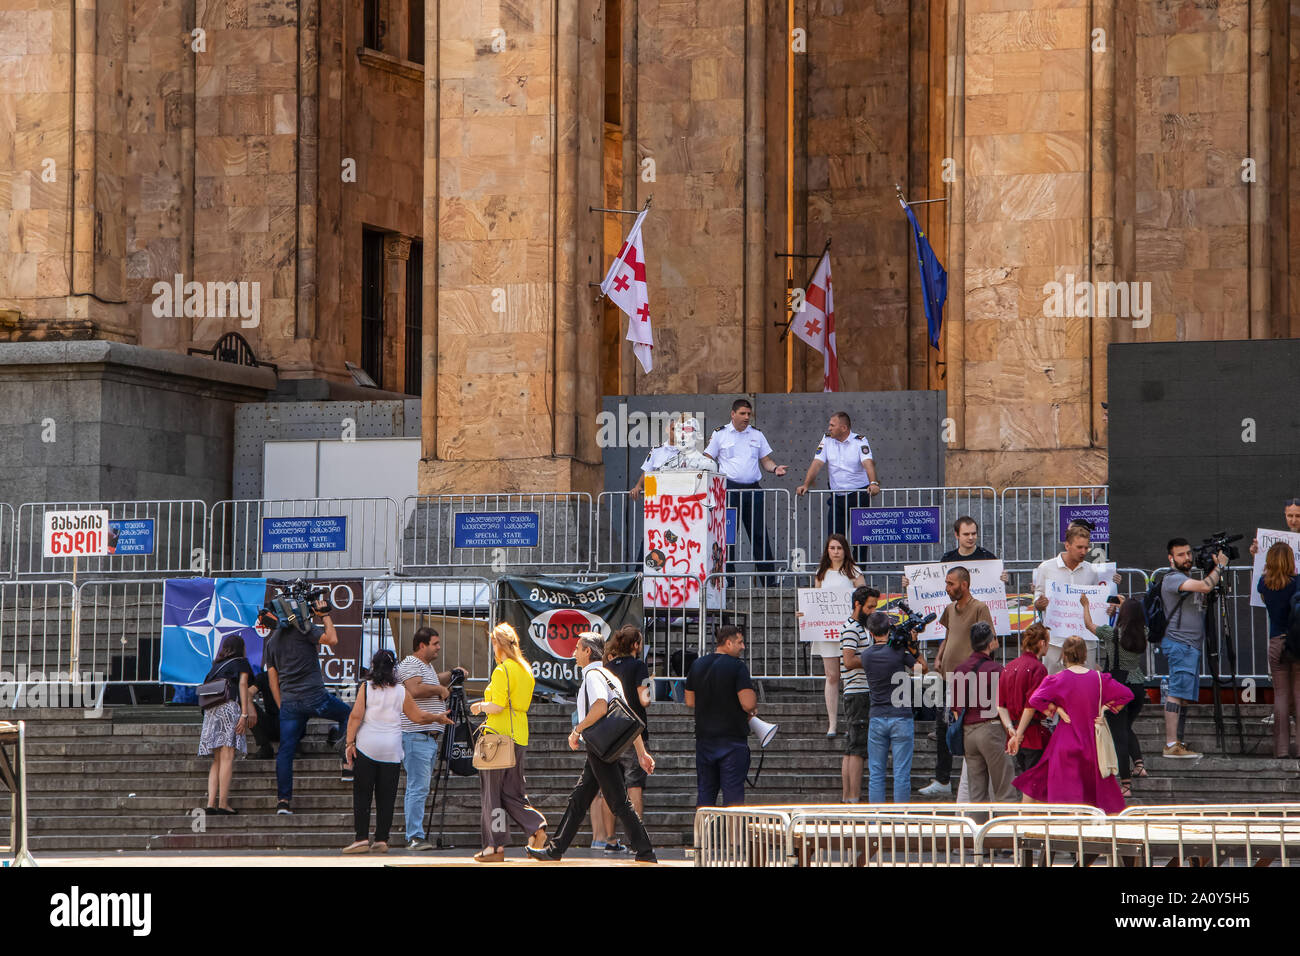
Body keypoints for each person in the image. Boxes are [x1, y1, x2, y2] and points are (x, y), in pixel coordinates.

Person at [527, 635, 657, 863]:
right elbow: (629, 716)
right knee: (579, 799)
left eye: (577, 649)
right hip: (606, 747)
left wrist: (577, 730)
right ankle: (555, 849)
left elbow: (599, 706)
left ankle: (645, 851)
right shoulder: (610, 676)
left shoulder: (592, 676)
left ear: (588, 652)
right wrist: (641, 752)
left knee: (618, 802)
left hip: (600, 748)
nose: (574, 653)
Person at [1010, 636, 1134, 813]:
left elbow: (1035, 699)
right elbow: (1127, 694)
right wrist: (1105, 708)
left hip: (1064, 740)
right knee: (1100, 790)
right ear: (1084, 654)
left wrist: (1056, 709)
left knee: (1042, 782)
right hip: (1092, 742)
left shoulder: (1057, 679)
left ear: (1064, 655)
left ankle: (1021, 825)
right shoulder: (1099, 679)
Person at [342, 650, 450, 853]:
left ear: (373, 666)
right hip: (391, 750)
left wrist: (349, 743)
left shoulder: (366, 688)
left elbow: (355, 717)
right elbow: (417, 716)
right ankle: (382, 839)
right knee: (386, 797)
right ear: (394, 669)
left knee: (363, 794)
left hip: (367, 746)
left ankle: (361, 838)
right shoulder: (400, 691)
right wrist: (437, 718)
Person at [264, 593, 353, 814]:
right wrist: (325, 616)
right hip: (316, 697)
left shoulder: (271, 641)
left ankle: (283, 801)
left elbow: (273, 680)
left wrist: (282, 704)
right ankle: (346, 765)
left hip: (290, 703)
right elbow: (332, 640)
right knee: (348, 715)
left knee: (285, 750)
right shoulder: (304, 629)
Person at [468, 623, 548, 862]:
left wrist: (479, 706)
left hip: (496, 737)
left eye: (493, 642)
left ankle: (494, 847)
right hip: (519, 736)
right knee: (512, 792)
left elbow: (497, 706)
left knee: (492, 795)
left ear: (498, 644)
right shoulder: (525, 670)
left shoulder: (502, 671)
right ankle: (535, 827)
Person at [917, 566, 993, 796]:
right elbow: (948, 636)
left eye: (951, 584)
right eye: (946, 583)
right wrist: (939, 656)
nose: (947, 588)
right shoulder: (949, 609)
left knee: (964, 727)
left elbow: (991, 642)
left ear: (964, 584)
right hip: (947, 678)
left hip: (968, 681)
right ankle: (943, 780)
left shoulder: (980, 608)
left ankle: (970, 783)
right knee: (943, 728)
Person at [704, 398, 788, 587]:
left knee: (759, 534)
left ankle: (768, 580)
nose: (746, 417)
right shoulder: (720, 434)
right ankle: (728, 580)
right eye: (742, 413)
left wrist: (775, 469)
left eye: (749, 414)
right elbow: (707, 458)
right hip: (729, 489)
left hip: (752, 489)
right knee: (728, 537)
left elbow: (765, 460)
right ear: (733, 414)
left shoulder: (757, 435)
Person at [396, 627, 467, 851]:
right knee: (417, 788)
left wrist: (453, 674)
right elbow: (415, 689)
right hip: (416, 735)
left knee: (421, 788)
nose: (438, 647)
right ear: (422, 645)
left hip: (426, 737)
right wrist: (439, 689)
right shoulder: (410, 664)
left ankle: (416, 834)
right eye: (435, 644)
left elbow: (434, 680)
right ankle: (414, 836)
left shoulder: (424, 666)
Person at [1159, 537, 1229, 758]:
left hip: (1189, 646)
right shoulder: (1172, 579)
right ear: (1171, 559)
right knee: (1176, 693)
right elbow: (1205, 586)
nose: (1187, 558)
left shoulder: (1183, 577)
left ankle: (1177, 741)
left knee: (1183, 695)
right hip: (1180, 644)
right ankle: (1171, 744)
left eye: (1188, 553)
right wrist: (1220, 566)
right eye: (1181, 555)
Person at [1082, 595, 1148, 798]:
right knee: (1127, 727)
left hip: (1117, 688)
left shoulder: (1112, 634)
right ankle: (1139, 764)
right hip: (1137, 686)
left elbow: (1089, 625)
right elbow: (1134, 617)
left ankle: (1126, 784)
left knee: (1119, 735)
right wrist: (1126, 605)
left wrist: (1086, 605)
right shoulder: (1144, 632)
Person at [685, 625, 758, 808]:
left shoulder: (698, 664)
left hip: (705, 740)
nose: (743, 647)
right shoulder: (737, 667)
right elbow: (748, 704)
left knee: (705, 796)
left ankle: (702, 837)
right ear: (728, 642)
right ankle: (734, 837)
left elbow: (689, 701)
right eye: (740, 642)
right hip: (732, 740)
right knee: (733, 799)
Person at [1032, 524, 1116, 672]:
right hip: (1056, 641)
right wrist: (1039, 603)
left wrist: (1106, 609)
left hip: (1085, 641)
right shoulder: (1046, 568)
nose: (1084, 551)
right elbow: (1038, 594)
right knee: (1052, 681)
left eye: (1086, 547)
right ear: (1067, 545)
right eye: (1079, 547)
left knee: (1085, 682)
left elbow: (1097, 602)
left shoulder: (1091, 570)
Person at [805, 535, 867, 736]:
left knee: (851, 675)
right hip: (827, 631)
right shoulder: (820, 573)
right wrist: (805, 612)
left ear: (845, 549)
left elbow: (864, 597)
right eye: (832, 548)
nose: (836, 551)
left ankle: (851, 722)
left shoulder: (853, 571)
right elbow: (815, 601)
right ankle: (832, 723)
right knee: (832, 676)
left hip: (848, 631)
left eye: (839, 547)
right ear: (827, 550)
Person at [862, 611, 925, 803]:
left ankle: (876, 822)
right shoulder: (899, 653)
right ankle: (902, 821)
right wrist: (912, 647)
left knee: (876, 773)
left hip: (877, 716)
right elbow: (922, 668)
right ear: (889, 629)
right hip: (901, 716)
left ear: (870, 632)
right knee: (901, 774)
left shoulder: (866, 656)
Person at [951, 622, 1017, 804]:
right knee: (1004, 788)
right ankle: (1006, 831)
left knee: (976, 793)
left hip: (968, 733)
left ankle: (977, 831)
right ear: (990, 644)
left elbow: (956, 709)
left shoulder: (960, 670)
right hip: (992, 729)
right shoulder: (997, 670)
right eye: (995, 638)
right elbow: (1004, 704)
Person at [794, 411, 880, 550]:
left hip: (858, 495)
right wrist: (806, 484)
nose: (829, 428)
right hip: (837, 496)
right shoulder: (827, 439)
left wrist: (873, 483)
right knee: (834, 541)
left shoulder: (860, 441)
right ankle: (836, 571)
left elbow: (868, 463)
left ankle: (859, 571)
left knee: (861, 540)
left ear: (844, 428)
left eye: (832, 425)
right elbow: (817, 463)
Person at [198, 634, 256, 814]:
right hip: (229, 709)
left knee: (216, 760)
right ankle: (223, 803)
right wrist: (244, 714)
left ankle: (210, 804)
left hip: (211, 711)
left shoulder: (215, 667)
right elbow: (243, 685)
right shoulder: (241, 662)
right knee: (228, 756)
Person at [604, 626, 653, 822]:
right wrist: (649, 686)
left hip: (610, 733)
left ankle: (609, 839)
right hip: (634, 733)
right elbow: (644, 700)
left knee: (610, 789)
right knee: (634, 785)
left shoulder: (607, 667)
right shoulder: (638, 665)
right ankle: (637, 836)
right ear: (635, 645)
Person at [1257, 541, 1300, 758]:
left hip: (1276, 642)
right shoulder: (1298, 583)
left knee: (1281, 695)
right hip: (1297, 642)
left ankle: (1281, 749)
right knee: (1299, 693)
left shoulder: (1263, 585)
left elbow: (1264, 599)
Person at [838, 587, 878, 802]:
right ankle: (853, 797)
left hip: (859, 692)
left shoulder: (860, 627)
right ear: (857, 605)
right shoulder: (852, 628)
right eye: (870, 606)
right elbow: (849, 660)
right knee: (857, 748)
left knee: (852, 746)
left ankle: (848, 796)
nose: (873, 611)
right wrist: (875, 660)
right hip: (858, 691)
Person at [900, 516, 1012, 589]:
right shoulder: (948, 559)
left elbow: (1004, 581)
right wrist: (911, 583)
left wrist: (1006, 579)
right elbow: (936, 584)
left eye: (974, 533)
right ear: (956, 535)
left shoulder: (987, 557)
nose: (971, 537)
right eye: (966, 534)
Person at [1001, 623, 1051, 775]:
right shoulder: (1038, 668)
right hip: (1032, 734)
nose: (1048, 646)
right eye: (1048, 642)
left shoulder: (1008, 667)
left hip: (1014, 732)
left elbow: (1000, 706)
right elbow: (1031, 705)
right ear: (1042, 643)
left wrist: (1012, 730)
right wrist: (1019, 734)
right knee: (1034, 786)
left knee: (1027, 781)